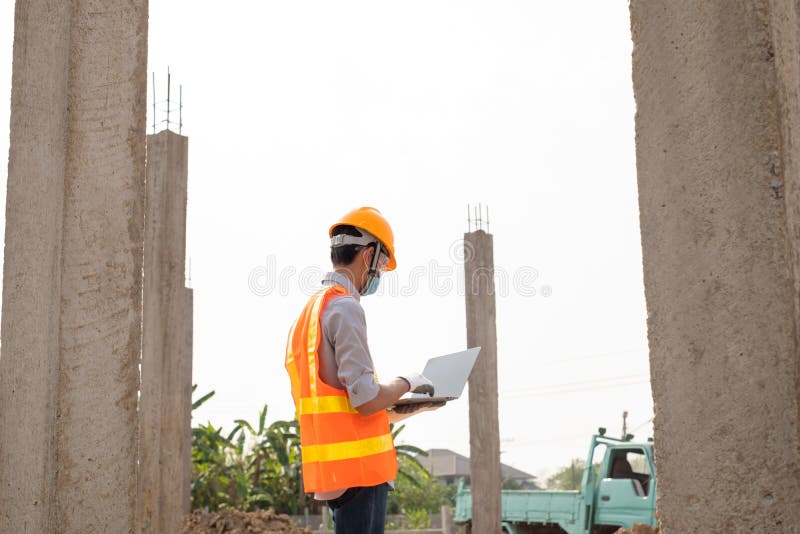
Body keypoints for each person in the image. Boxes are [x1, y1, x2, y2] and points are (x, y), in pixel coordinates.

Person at [284, 207, 440, 534]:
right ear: (368, 256)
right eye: (383, 264)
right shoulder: (345, 307)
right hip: (360, 475)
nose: (381, 274)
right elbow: (366, 399)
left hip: (336, 476)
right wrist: (408, 381)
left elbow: (337, 404)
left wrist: (406, 407)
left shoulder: (311, 312)